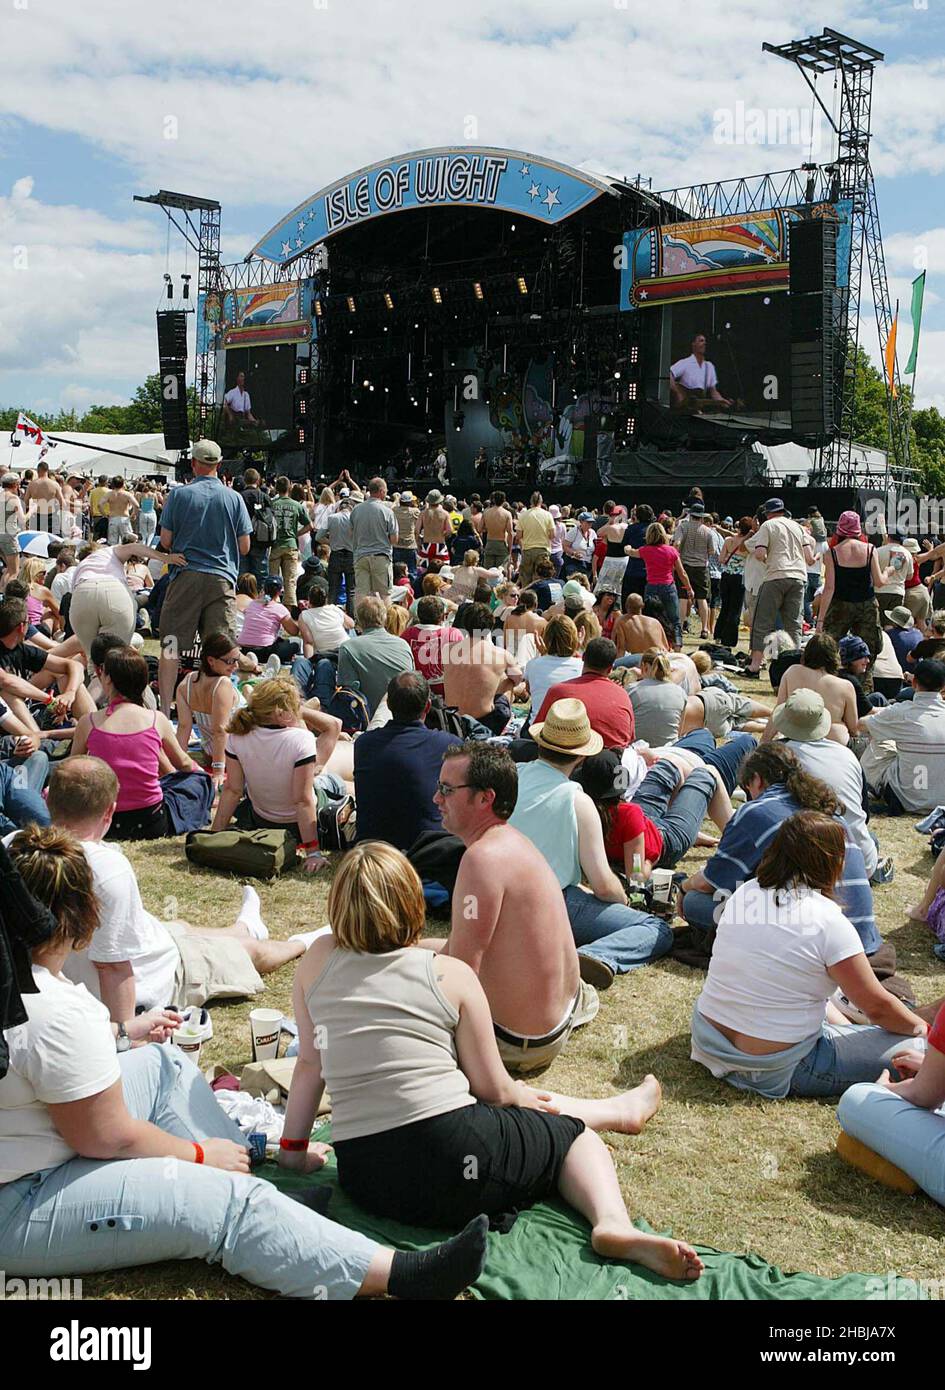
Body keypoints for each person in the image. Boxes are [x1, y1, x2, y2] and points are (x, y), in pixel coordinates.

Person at [0, 824, 486, 1301]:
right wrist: (198, 1155)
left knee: (166, 1065)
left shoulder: (29, 990)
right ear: (83, 915)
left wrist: (122, 1033)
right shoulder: (58, 1012)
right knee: (223, 1206)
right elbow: (105, 1136)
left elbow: (37, 1054)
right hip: (21, 1203)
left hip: (24, 1156)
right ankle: (399, 1274)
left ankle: (263, 1191)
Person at [280, 842, 703, 1281]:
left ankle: (616, 1112)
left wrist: (292, 1153)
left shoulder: (316, 961)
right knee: (573, 1138)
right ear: (412, 902)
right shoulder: (452, 975)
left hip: (368, 1177)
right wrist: (523, 1097)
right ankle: (611, 1224)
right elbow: (493, 1090)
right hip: (457, 1159)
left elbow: (310, 1066)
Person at [690, 812, 929, 1098]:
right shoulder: (828, 920)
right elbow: (877, 1007)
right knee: (921, 1049)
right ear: (832, 862)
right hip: (779, 1064)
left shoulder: (744, 894)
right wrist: (924, 1031)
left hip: (710, 1042)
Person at [48, 757, 308, 1011]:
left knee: (180, 928)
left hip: (147, 949)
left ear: (47, 797)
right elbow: (112, 966)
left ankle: (245, 927)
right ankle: (305, 942)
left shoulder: (15, 846)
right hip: (156, 976)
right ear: (110, 811)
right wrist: (127, 1033)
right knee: (249, 951)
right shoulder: (108, 869)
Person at [425, 742, 597, 1070]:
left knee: (405, 986)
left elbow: (461, 973)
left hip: (518, 1045)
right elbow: (460, 946)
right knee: (419, 953)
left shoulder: (481, 859)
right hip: (560, 1018)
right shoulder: (515, 842)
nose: (437, 798)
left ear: (485, 798)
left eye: (446, 789)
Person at [508, 699, 673, 989]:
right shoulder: (616, 810)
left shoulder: (512, 777)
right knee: (656, 929)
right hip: (554, 900)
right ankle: (586, 958)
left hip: (502, 897)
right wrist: (630, 894)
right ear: (581, 758)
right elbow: (627, 872)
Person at [679, 743, 882, 957]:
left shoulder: (757, 813)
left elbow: (711, 883)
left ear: (756, 779)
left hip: (811, 940)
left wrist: (684, 887)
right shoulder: (829, 811)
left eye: (748, 789)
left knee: (695, 901)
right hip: (859, 936)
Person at [70, 645, 210, 841]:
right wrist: (206, 778)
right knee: (197, 780)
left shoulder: (89, 723)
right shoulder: (156, 719)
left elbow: (72, 771)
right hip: (151, 820)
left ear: (108, 678)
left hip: (106, 821)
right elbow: (185, 764)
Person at [157, 440, 252, 715]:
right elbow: (245, 546)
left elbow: (166, 540)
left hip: (186, 576)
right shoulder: (234, 498)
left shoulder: (179, 495)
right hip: (221, 578)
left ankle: (165, 708)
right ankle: (218, 708)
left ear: (194, 464)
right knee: (222, 648)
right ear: (219, 465)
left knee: (171, 646)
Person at [765, 688, 881, 883]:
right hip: (858, 862)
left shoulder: (775, 758)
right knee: (869, 837)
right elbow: (864, 815)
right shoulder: (847, 755)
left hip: (804, 867)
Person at [353, 672, 461, 850]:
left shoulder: (363, 744)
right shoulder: (449, 745)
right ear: (427, 707)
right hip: (430, 850)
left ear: (388, 705)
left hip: (374, 851)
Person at [68, 538, 185, 658]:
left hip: (82, 592)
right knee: (116, 656)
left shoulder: (80, 567)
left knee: (91, 658)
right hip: (113, 590)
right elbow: (134, 547)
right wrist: (165, 558)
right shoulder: (110, 551)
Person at [859, 658, 945, 814]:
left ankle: (874, 788)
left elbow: (862, 724)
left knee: (880, 741)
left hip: (906, 799)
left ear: (914, 683)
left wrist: (882, 713)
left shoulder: (901, 712)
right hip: (942, 800)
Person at [744, 499, 816, 677]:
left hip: (775, 576)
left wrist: (769, 560)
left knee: (763, 622)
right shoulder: (798, 527)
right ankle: (796, 666)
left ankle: (754, 666)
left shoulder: (768, 525)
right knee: (794, 624)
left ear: (767, 513)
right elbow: (809, 556)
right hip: (798, 577)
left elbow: (760, 553)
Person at [173, 633, 246, 791]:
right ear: (211, 661)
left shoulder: (187, 683)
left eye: (237, 659)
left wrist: (177, 764)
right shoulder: (222, 685)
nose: (235, 666)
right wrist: (218, 771)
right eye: (230, 661)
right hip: (239, 754)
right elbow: (220, 730)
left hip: (210, 752)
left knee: (249, 691)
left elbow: (184, 727)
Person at [533, 637, 634, 751]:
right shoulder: (623, 695)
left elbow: (538, 731)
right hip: (613, 762)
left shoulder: (558, 691)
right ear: (610, 668)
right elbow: (629, 738)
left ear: (583, 657)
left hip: (567, 760)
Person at [441, 602, 521, 735]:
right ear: (490, 626)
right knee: (509, 681)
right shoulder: (502, 655)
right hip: (485, 721)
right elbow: (517, 679)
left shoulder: (447, 650)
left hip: (453, 718)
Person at [336, 596, 414, 715]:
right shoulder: (403, 645)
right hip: (405, 714)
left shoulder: (348, 647)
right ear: (384, 617)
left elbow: (349, 691)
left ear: (358, 620)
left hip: (370, 718)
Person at [624, 522, 692, 650]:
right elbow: (682, 573)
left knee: (650, 619)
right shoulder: (671, 551)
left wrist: (626, 548)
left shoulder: (646, 550)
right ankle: (677, 647)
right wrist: (689, 588)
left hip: (651, 587)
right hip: (668, 587)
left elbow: (632, 552)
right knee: (675, 620)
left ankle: (652, 645)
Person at [292, 586, 355, 705]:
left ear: (309, 600)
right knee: (349, 631)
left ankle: (296, 698)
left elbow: (308, 641)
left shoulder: (304, 615)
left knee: (304, 663)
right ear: (326, 599)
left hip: (324, 656)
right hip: (344, 652)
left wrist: (310, 662)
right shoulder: (334, 609)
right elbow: (351, 624)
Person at [523, 615, 583, 722]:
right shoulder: (582, 667)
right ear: (574, 638)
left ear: (546, 637)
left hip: (538, 727)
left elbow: (531, 691)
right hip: (570, 728)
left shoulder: (533, 665)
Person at [265, 476, 311, 610]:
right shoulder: (296, 505)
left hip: (275, 545)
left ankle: (271, 607)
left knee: (273, 578)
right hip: (291, 545)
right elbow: (310, 525)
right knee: (290, 580)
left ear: (276, 488)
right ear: (289, 487)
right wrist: (296, 534)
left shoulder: (272, 504)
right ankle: (288, 611)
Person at [351, 477, 397, 605]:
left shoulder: (356, 510)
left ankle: (359, 623)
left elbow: (351, 532)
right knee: (385, 594)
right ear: (381, 491)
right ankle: (388, 622)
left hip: (360, 556)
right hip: (381, 557)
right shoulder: (387, 511)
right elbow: (394, 539)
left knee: (361, 593)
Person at [627, 648, 686, 747]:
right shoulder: (680, 693)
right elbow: (679, 731)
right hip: (669, 750)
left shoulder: (632, 690)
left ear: (644, 667)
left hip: (637, 750)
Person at [238, 575, 300, 666]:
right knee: (296, 643)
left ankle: (251, 657)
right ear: (280, 591)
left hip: (244, 648)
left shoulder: (251, 604)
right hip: (266, 650)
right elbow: (294, 631)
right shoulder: (279, 608)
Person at [673, 503, 715, 638]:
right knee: (702, 598)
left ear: (690, 514)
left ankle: (679, 627)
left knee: (683, 597)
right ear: (702, 517)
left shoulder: (682, 527)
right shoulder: (708, 531)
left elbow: (676, 543)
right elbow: (712, 551)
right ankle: (704, 629)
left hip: (685, 565)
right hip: (701, 567)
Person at [714, 517, 753, 649]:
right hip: (739, 578)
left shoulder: (728, 540)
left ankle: (718, 635)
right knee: (735, 610)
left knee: (724, 607)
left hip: (725, 576)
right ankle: (729, 639)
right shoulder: (748, 544)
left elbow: (721, 559)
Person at [669, 332, 732, 410]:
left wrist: (721, 401)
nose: (704, 343)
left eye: (705, 341)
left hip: (698, 409)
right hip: (684, 410)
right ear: (693, 344)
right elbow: (669, 373)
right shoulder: (686, 362)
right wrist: (677, 392)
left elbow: (713, 391)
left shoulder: (709, 366)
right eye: (701, 341)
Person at [239, 467, 273, 584]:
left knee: (243, 575)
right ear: (258, 480)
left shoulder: (239, 496)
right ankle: (261, 599)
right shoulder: (264, 497)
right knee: (261, 575)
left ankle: (243, 598)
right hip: (261, 540)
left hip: (242, 540)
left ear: (244, 480)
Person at [613, 592, 670, 660]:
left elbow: (620, 648)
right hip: (664, 657)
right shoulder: (655, 621)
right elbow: (666, 646)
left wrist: (616, 665)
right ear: (643, 606)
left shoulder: (622, 621)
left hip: (646, 659)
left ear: (626, 606)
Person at [516, 492, 555, 588]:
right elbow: (552, 535)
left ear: (530, 502)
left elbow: (518, 536)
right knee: (542, 577)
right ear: (541, 501)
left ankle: (526, 597)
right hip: (542, 550)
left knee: (526, 578)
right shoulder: (547, 515)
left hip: (527, 550)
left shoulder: (523, 515)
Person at [481, 491, 515, 573]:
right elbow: (510, 533)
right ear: (504, 501)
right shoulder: (507, 514)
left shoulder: (486, 512)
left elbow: (479, 528)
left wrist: (488, 528)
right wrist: (510, 550)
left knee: (488, 572)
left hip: (489, 543)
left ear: (493, 500)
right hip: (501, 543)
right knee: (501, 572)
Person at [392, 489, 421, 580]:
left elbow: (391, 508)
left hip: (397, 544)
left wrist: (396, 499)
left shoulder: (394, 510)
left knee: (396, 571)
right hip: (410, 545)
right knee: (412, 571)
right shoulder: (414, 511)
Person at [105, 477, 138, 546]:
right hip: (124, 518)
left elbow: (100, 504)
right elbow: (136, 505)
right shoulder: (127, 494)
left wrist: (104, 514)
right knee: (127, 542)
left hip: (113, 518)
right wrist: (133, 514)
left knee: (112, 543)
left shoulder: (109, 494)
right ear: (123, 484)